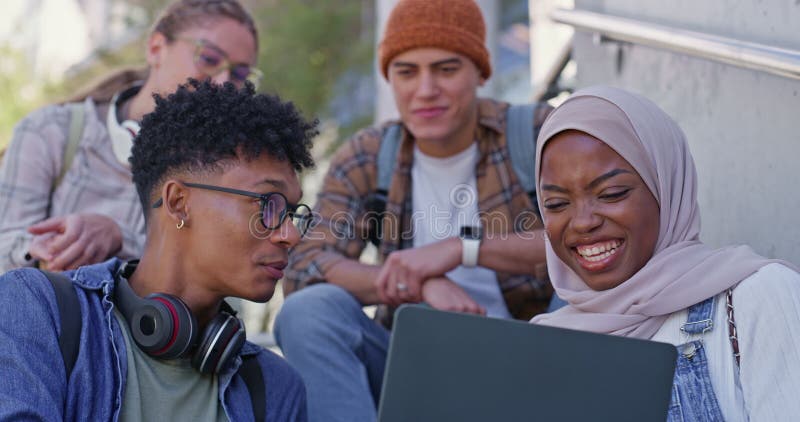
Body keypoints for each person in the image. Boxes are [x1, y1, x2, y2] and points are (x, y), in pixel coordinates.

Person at [274, 0, 555, 420]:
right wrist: (417, 283)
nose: (425, 90)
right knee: (309, 312)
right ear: (390, 78)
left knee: (583, 299)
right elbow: (305, 265)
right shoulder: (370, 156)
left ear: (480, 71)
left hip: (535, 359)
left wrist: (463, 249)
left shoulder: (535, 135)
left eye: (446, 69)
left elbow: (595, 240)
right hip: (414, 364)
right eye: (407, 72)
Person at [0, 79, 316, 421]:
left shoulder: (274, 389)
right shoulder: (38, 310)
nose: (290, 235)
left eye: (291, 214)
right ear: (179, 203)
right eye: (269, 204)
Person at [530, 86, 800, 421]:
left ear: (667, 188)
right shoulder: (542, 343)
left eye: (612, 193)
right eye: (557, 204)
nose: (583, 222)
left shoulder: (757, 300)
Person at [0, 0, 262, 273]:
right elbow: (5, 246)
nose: (223, 82)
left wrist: (118, 238)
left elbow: (207, 274)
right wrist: (45, 248)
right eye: (209, 59)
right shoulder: (49, 131)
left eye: (239, 73)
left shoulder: (226, 171)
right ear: (156, 48)